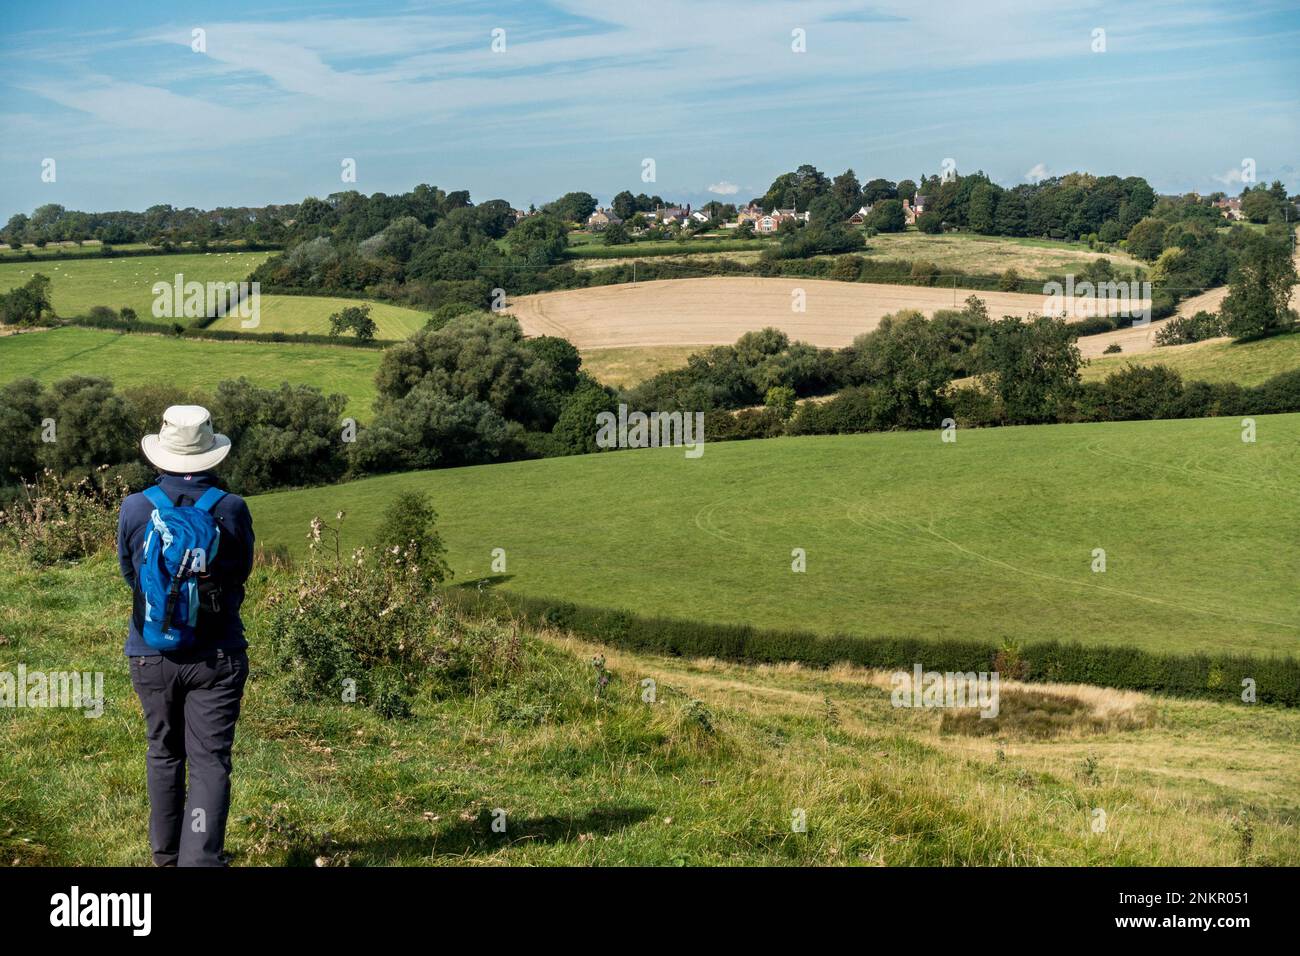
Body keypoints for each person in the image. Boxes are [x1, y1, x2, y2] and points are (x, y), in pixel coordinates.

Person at [117, 405, 254, 867]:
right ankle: (201, 862)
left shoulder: (136, 507)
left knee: (163, 753)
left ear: (160, 455)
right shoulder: (231, 509)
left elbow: (129, 575)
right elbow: (239, 578)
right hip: (217, 655)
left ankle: (166, 859)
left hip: (150, 652)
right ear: (212, 457)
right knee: (210, 761)